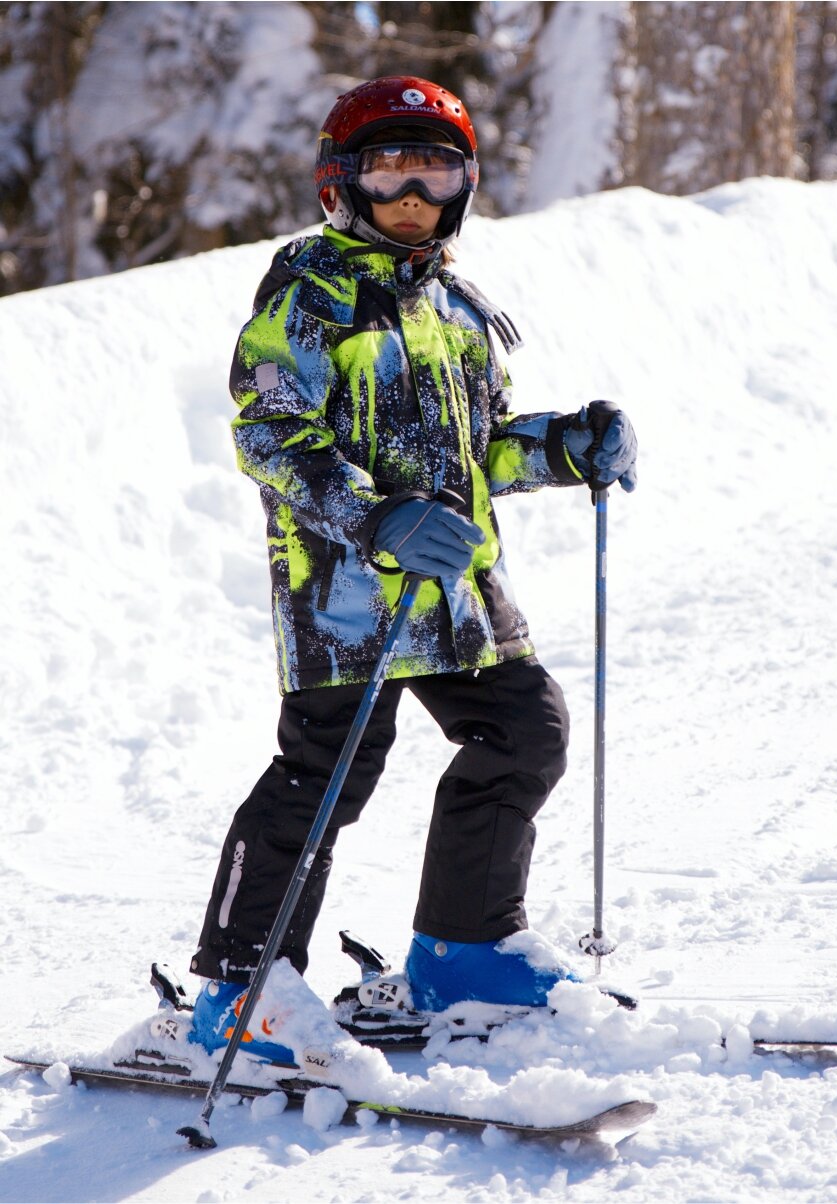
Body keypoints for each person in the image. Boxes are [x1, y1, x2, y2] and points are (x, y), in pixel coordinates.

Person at [188, 76, 637, 1061]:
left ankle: (463, 946)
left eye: (433, 171)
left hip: (453, 594)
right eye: (387, 169)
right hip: (345, 595)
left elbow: (480, 452)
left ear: (463, 185)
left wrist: (565, 447)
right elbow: (272, 434)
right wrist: (375, 514)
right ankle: (239, 988)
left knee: (525, 730)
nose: (410, 195)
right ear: (337, 181)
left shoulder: (455, 305)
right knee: (324, 775)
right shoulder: (310, 295)